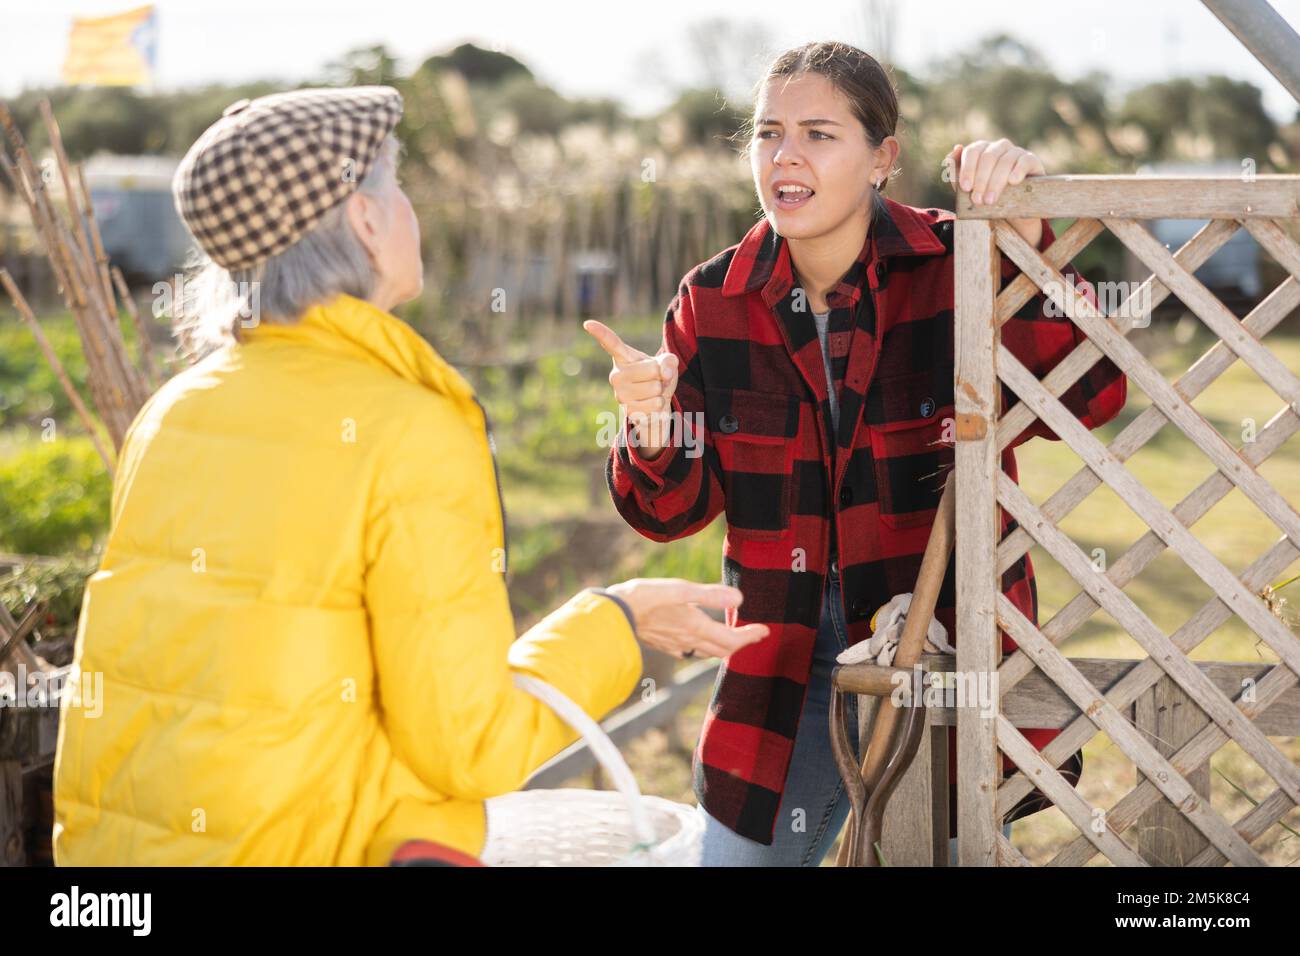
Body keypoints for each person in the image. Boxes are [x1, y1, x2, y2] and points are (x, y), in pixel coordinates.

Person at [51, 86, 768, 866]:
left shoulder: (171, 413)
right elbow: (470, 747)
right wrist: (619, 622)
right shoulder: (407, 427)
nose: (408, 212)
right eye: (395, 189)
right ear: (363, 219)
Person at [589, 42, 1127, 866]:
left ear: (882, 159)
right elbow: (669, 513)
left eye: (818, 132)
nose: (785, 155)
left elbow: (1095, 396)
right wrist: (656, 426)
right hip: (782, 666)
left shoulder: (960, 262)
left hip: (944, 655)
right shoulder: (711, 300)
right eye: (768, 133)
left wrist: (1027, 240)